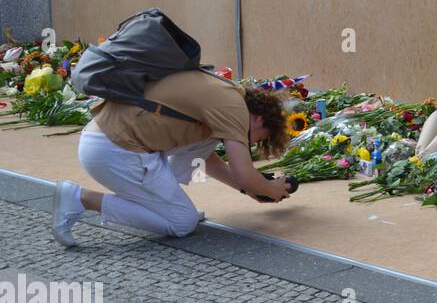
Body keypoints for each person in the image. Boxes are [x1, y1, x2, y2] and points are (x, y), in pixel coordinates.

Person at [52, 70, 294, 246]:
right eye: (261, 138)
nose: (251, 144)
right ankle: (80, 198)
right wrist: (270, 188)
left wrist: (248, 189)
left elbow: (203, 158)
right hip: (115, 151)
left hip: (103, 140)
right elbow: (245, 173)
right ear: (260, 119)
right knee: (182, 222)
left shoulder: (225, 95)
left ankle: (164, 204)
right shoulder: (234, 111)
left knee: (205, 144)